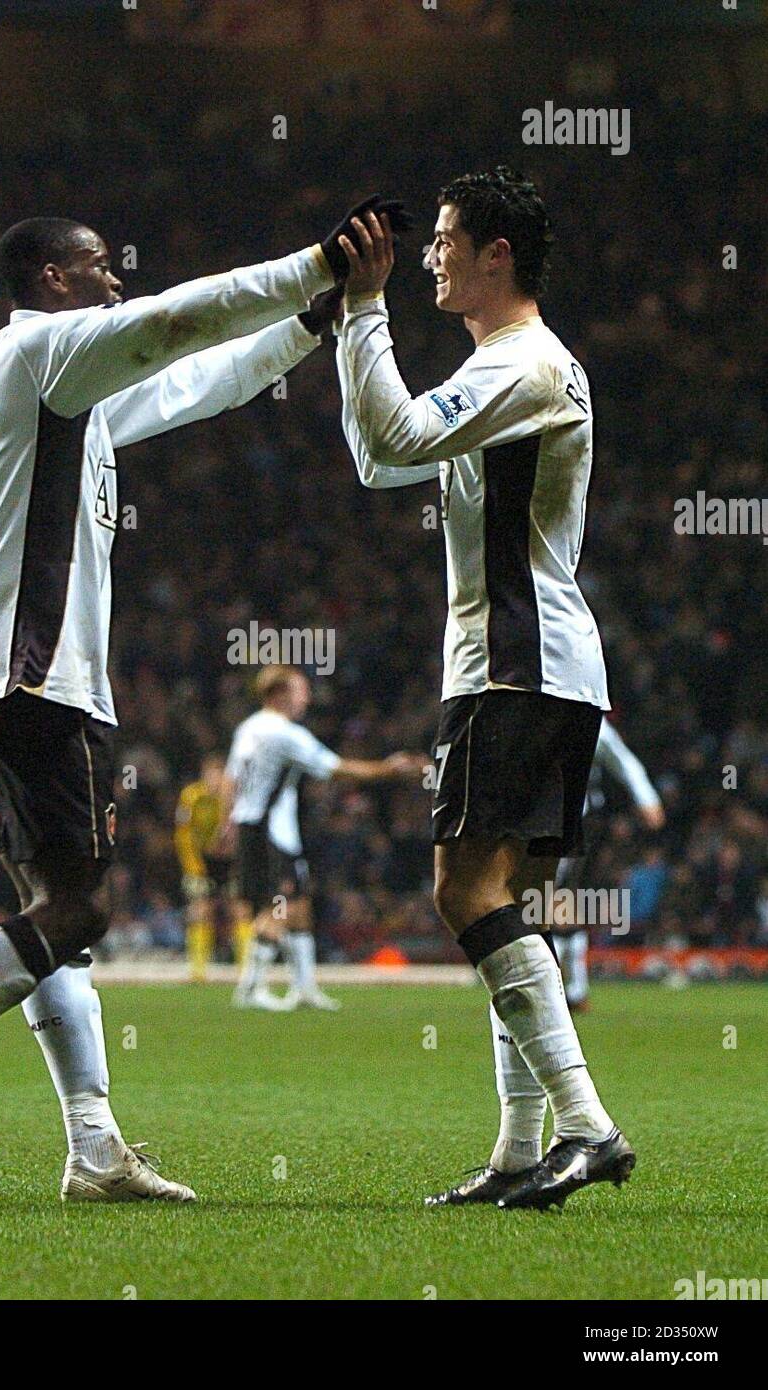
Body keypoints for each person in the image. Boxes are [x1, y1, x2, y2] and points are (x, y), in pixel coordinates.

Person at [0, 198, 410, 1199]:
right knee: (82, 906)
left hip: (5, 674)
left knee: (57, 912)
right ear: (54, 280)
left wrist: (313, 321)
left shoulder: (71, 391)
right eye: (98, 266)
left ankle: (92, 1146)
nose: (115, 279)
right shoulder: (43, 352)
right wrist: (318, 262)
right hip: (28, 675)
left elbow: (202, 378)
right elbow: (182, 318)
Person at [335, 168, 635, 1210]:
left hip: (516, 665)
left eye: (447, 237)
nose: (430, 254)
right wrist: (355, 326)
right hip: (535, 664)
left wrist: (363, 308)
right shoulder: (511, 368)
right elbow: (384, 462)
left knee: (462, 892)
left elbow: (392, 438)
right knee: (502, 902)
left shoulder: (528, 364)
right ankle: (519, 1150)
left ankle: (587, 1128)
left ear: (495, 256)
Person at [226, 665, 420, 1011]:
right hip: (272, 830)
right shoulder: (284, 733)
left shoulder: (248, 728)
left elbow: (231, 780)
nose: (306, 698)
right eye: (300, 690)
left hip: (252, 826)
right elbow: (336, 768)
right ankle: (251, 987)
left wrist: (226, 824)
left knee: (299, 907)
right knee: (282, 907)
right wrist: (389, 768)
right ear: (280, 694)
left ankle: (304, 988)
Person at [552, 720, 665, 1010]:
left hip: (571, 824)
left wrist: (647, 799)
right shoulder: (532, 710)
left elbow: (621, 759)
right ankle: (571, 989)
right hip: (540, 821)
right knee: (555, 902)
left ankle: (566, 990)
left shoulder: (586, 717)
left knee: (555, 901)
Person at [174, 754, 243, 980]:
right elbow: (183, 835)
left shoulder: (236, 798)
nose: (215, 780)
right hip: (201, 860)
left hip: (230, 862)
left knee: (240, 910)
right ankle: (198, 971)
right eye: (211, 774)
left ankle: (245, 969)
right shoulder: (191, 796)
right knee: (200, 908)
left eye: (220, 775)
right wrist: (193, 867)